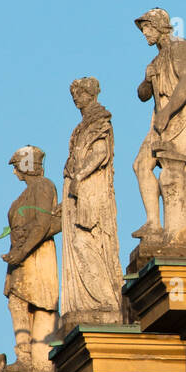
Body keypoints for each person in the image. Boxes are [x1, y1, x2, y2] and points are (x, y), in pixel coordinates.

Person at [132, 8, 186, 238]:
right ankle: (153, 223)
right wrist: (147, 79)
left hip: (180, 114)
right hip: (160, 119)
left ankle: (179, 230)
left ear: (158, 26)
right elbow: (142, 94)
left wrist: (167, 113)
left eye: (147, 28)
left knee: (174, 167)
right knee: (141, 165)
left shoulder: (179, 47)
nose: (144, 33)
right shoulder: (156, 59)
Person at [61, 77, 123, 327]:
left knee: (87, 239)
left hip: (92, 190)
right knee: (80, 241)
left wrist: (79, 174)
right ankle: (93, 301)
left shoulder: (99, 120)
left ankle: (105, 300)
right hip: (79, 190)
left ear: (92, 94)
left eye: (81, 93)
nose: (76, 97)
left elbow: (100, 154)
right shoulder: (80, 126)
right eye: (74, 94)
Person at [2, 146, 59, 372]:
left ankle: (38, 361)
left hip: (36, 255)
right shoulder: (22, 196)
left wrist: (23, 250)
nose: (15, 172)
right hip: (21, 257)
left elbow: (43, 223)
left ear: (26, 166)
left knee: (38, 303)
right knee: (16, 303)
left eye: (16, 167)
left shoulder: (44, 186)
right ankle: (23, 356)